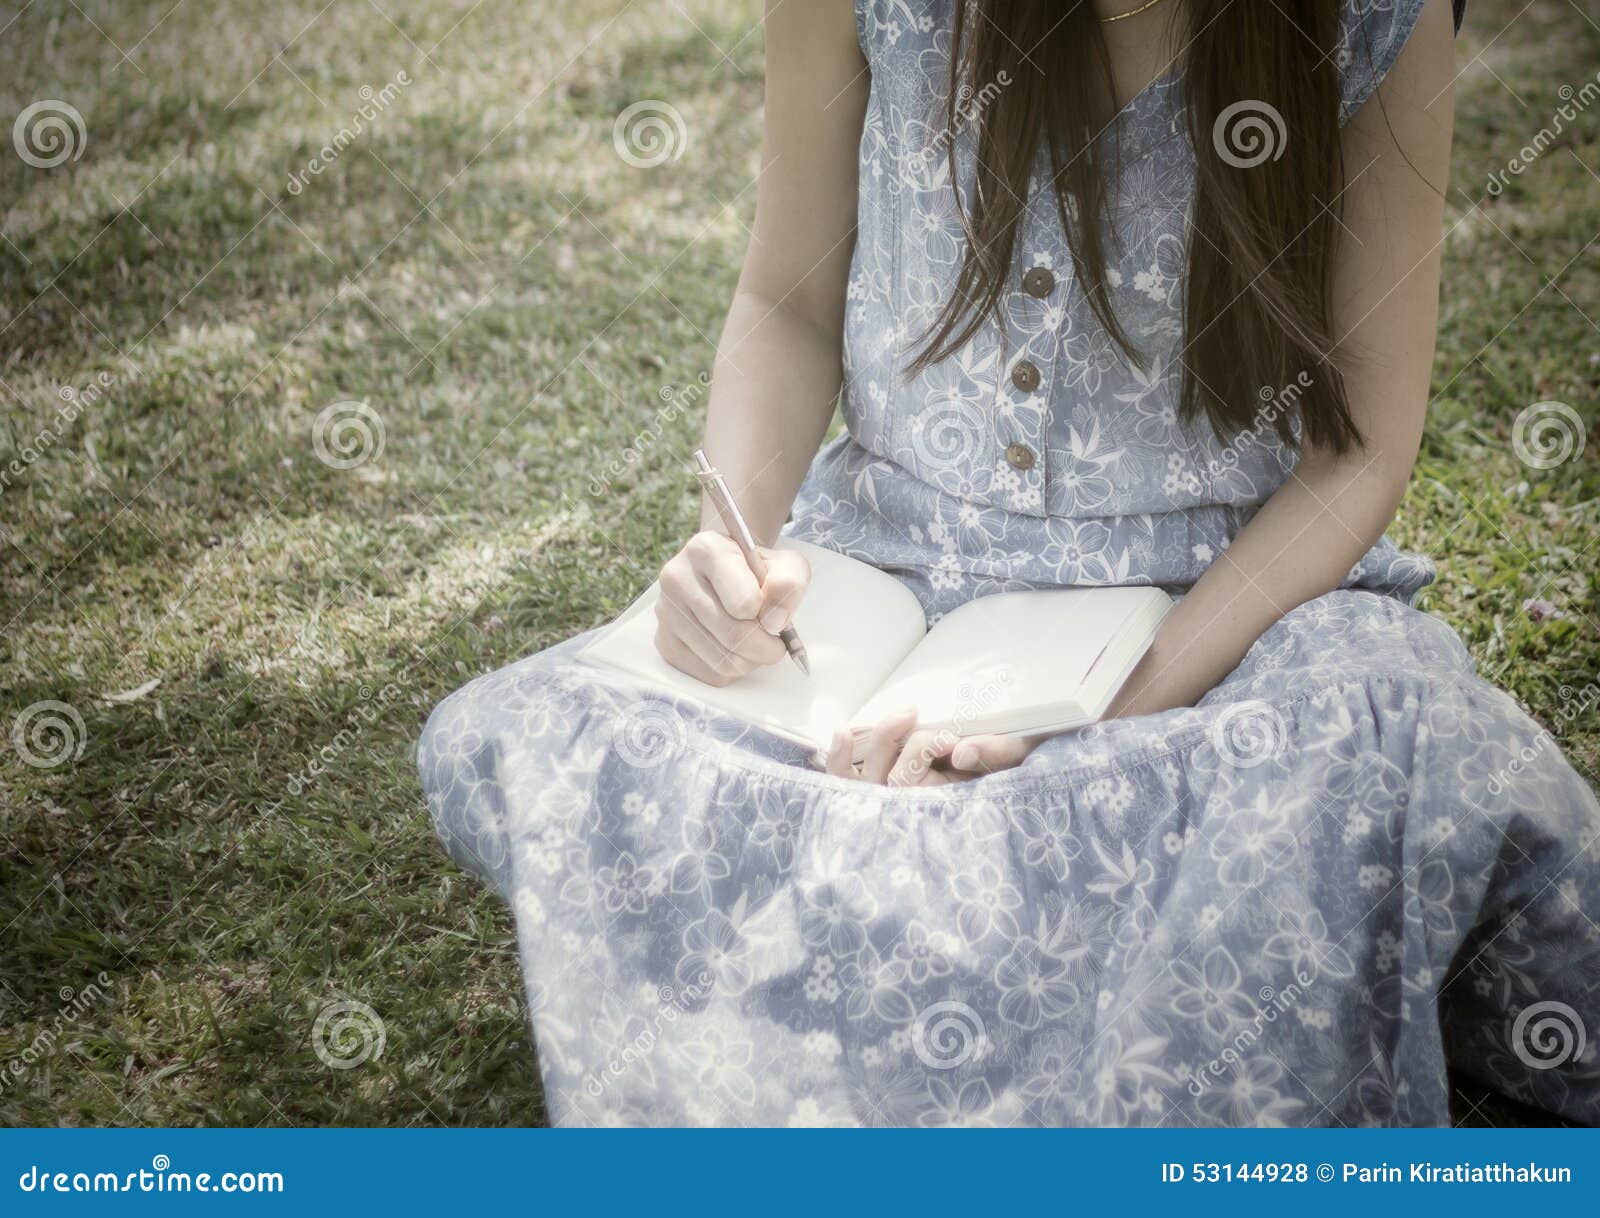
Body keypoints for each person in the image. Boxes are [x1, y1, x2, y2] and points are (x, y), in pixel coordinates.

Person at [419, 0, 1600, 1126]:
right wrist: (727, 549)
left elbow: (1356, 454)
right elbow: (786, 303)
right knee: (573, 738)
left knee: (1367, 749)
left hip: (1229, 612)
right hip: (886, 578)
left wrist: (1101, 717)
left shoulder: (1375, 18)